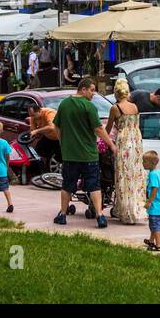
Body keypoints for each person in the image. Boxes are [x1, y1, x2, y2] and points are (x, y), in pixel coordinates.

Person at [52, 77, 115, 228]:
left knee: (67, 185)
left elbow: (56, 127)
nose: (93, 94)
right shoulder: (89, 107)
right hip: (89, 155)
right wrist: (111, 145)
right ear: (83, 89)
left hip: (70, 155)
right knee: (94, 185)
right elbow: (99, 129)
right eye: (92, 90)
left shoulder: (64, 104)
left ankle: (62, 214)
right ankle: (100, 216)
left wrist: (63, 142)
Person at [106, 78, 147, 225]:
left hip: (123, 143)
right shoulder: (135, 107)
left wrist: (105, 141)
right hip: (136, 142)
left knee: (123, 176)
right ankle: (137, 208)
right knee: (134, 176)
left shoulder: (115, 108)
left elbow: (109, 129)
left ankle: (125, 211)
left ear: (116, 92)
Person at [143, 150, 160, 252]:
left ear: (151, 163)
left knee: (155, 226)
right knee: (154, 224)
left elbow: (155, 188)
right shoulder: (158, 172)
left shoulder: (153, 175)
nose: (143, 163)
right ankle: (151, 241)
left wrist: (149, 201)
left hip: (155, 204)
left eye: (144, 161)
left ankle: (158, 245)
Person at [26, 101, 60, 168]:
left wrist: (36, 131)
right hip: (48, 136)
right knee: (39, 150)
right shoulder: (33, 117)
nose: (32, 117)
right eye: (30, 115)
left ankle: (60, 170)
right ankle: (45, 165)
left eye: (33, 115)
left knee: (59, 157)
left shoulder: (49, 113)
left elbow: (52, 127)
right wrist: (33, 134)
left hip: (60, 137)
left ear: (39, 111)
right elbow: (33, 130)